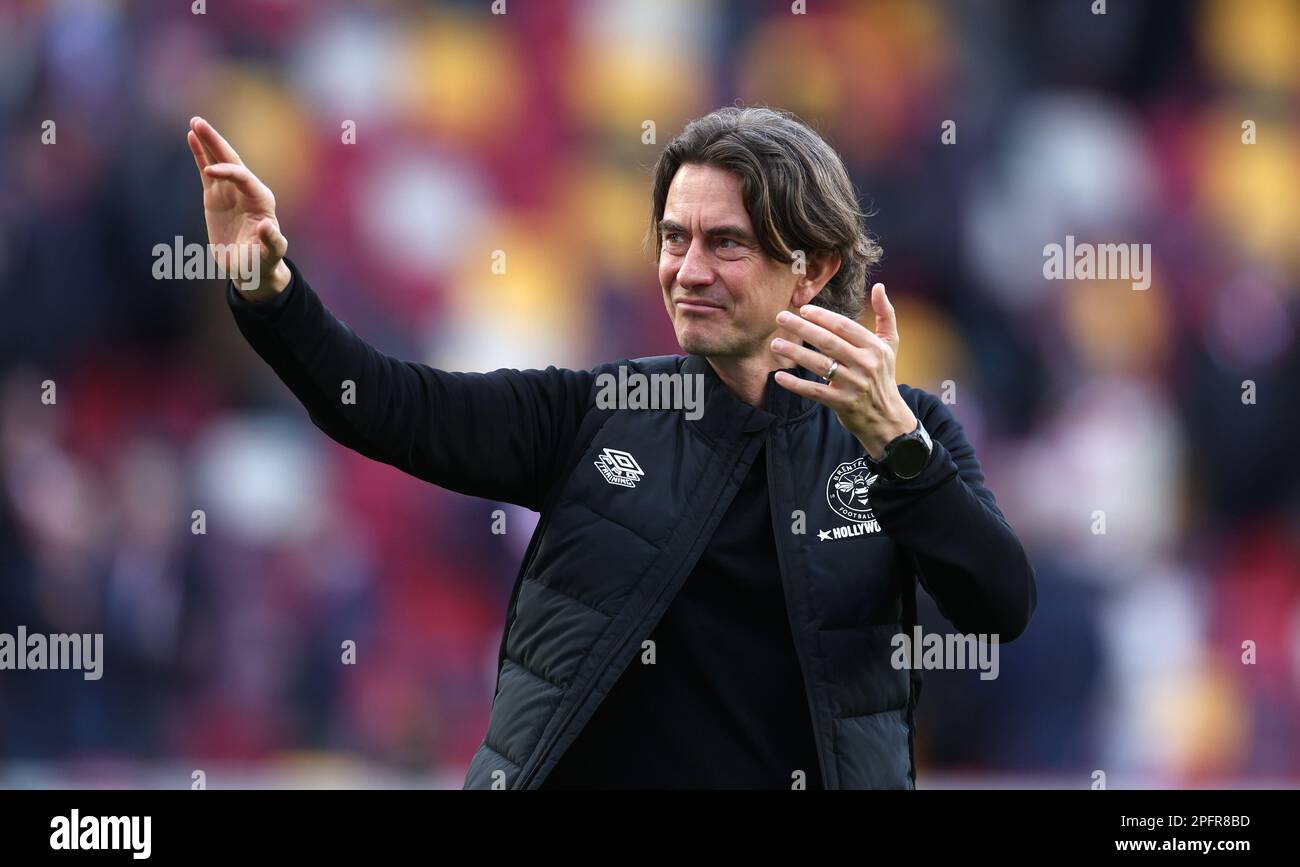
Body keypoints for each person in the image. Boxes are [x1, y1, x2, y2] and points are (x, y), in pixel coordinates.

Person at [187, 105, 1036, 790]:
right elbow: (382, 404)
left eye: (726, 243)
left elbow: (1000, 607)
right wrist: (271, 292)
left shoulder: (904, 432)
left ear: (811, 267)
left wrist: (899, 447)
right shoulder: (598, 411)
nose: (688, 269)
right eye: (675, 237)